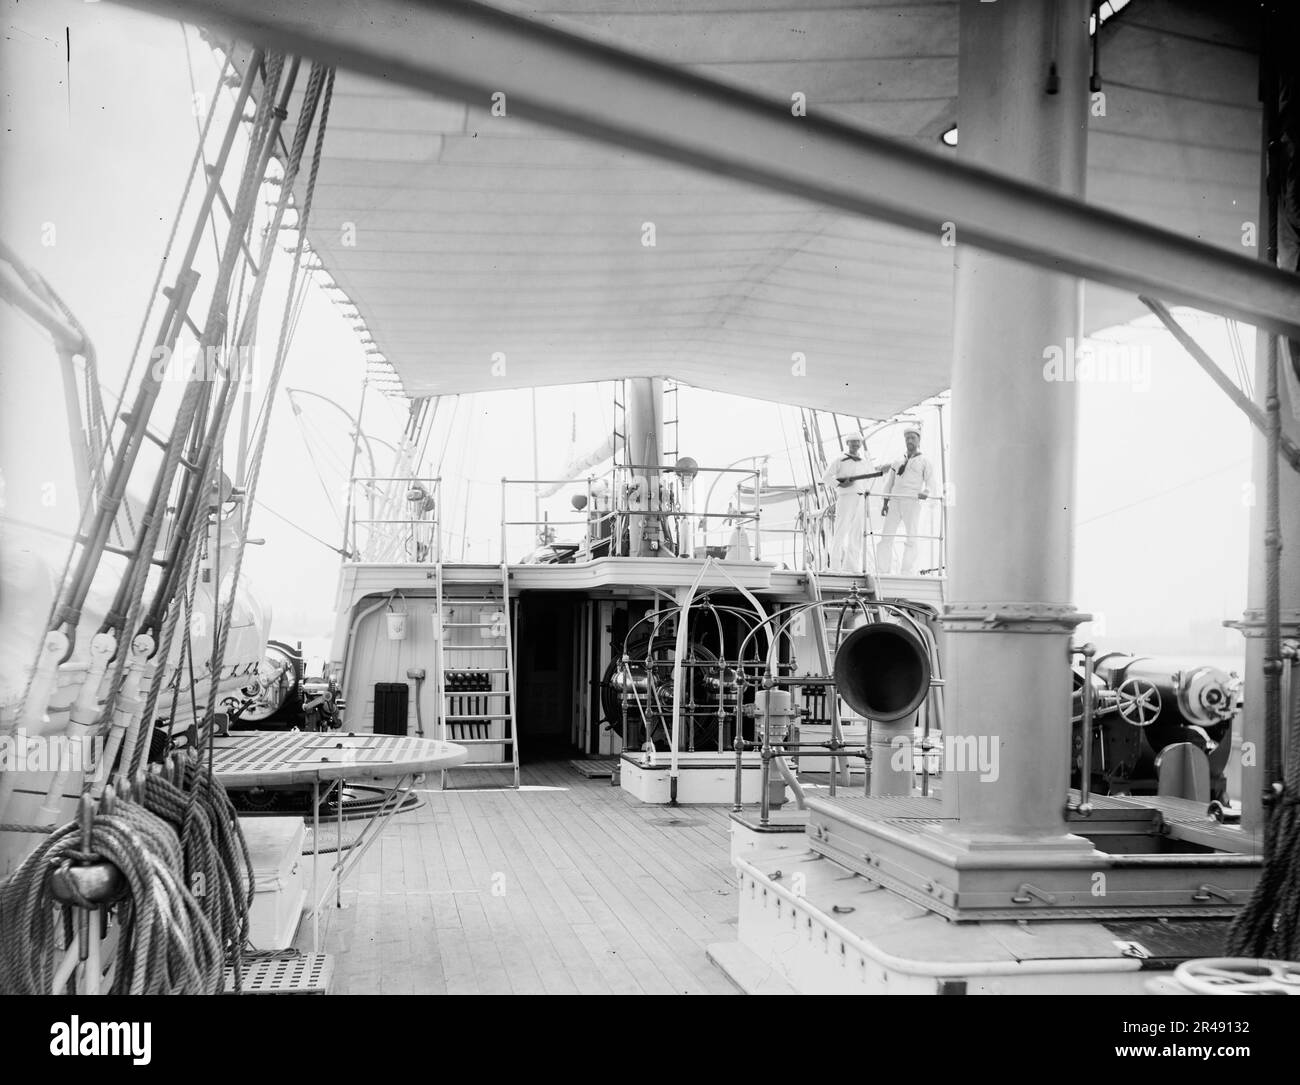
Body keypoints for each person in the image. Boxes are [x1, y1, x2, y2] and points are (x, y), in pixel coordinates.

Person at [876, 424, 934, 574]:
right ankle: (882, 570)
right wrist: (885, 502)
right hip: (895, 501)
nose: (909, 440)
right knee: (886, 536)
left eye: (912, 438)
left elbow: (931, 482)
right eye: (907, 438)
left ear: (918, 441)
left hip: (912, 500)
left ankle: (907, 571)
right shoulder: (897, 461)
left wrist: (926, 492)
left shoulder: (924, 461)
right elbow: (889, 483)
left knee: (911, 537)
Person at [822, 435, 875, 572]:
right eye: (852, 441)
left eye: (858, 441)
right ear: (847, 443)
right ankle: (835, 566)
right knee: (841, 531)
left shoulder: (864, 461)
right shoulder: (839, 460)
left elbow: (869, 479)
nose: (855, 444)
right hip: (846, 497)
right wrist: (840, 485)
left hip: (860, 498)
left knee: (856, 533)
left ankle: (851, 566)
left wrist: (866, 492)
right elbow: (826, 477)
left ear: (861, 444)